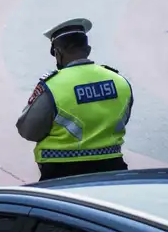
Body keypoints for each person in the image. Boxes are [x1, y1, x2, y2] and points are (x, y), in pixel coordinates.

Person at [16, 18, 133, 181]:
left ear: (58, 52)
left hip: (62, 174)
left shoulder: (53, 85)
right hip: (112, 169)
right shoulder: (119, 81)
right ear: (88, 49)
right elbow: (123, 118)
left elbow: (28, 130)